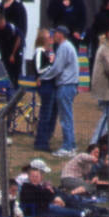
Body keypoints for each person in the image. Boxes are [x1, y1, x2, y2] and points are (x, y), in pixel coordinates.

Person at [37, 26, 79, 156]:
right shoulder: (68, 46)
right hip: (70, 85)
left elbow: (57, 68)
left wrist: (42, 77)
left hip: (65, 85)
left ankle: (67, 146)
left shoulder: (64, 47)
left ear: (60, 34)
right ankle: (71, 144)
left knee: (65, 117)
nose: (53, 36)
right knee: (68, 116)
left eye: (54, 33)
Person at [0, 10, 24, 85]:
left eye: (2, 23)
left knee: (16, 67)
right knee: (6, 66)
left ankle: (17, 86)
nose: (1, 25)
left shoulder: (10, 27)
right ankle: (8, 85)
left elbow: (18, 39)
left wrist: (13, 54)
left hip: (16, 47)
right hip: (4, 48)